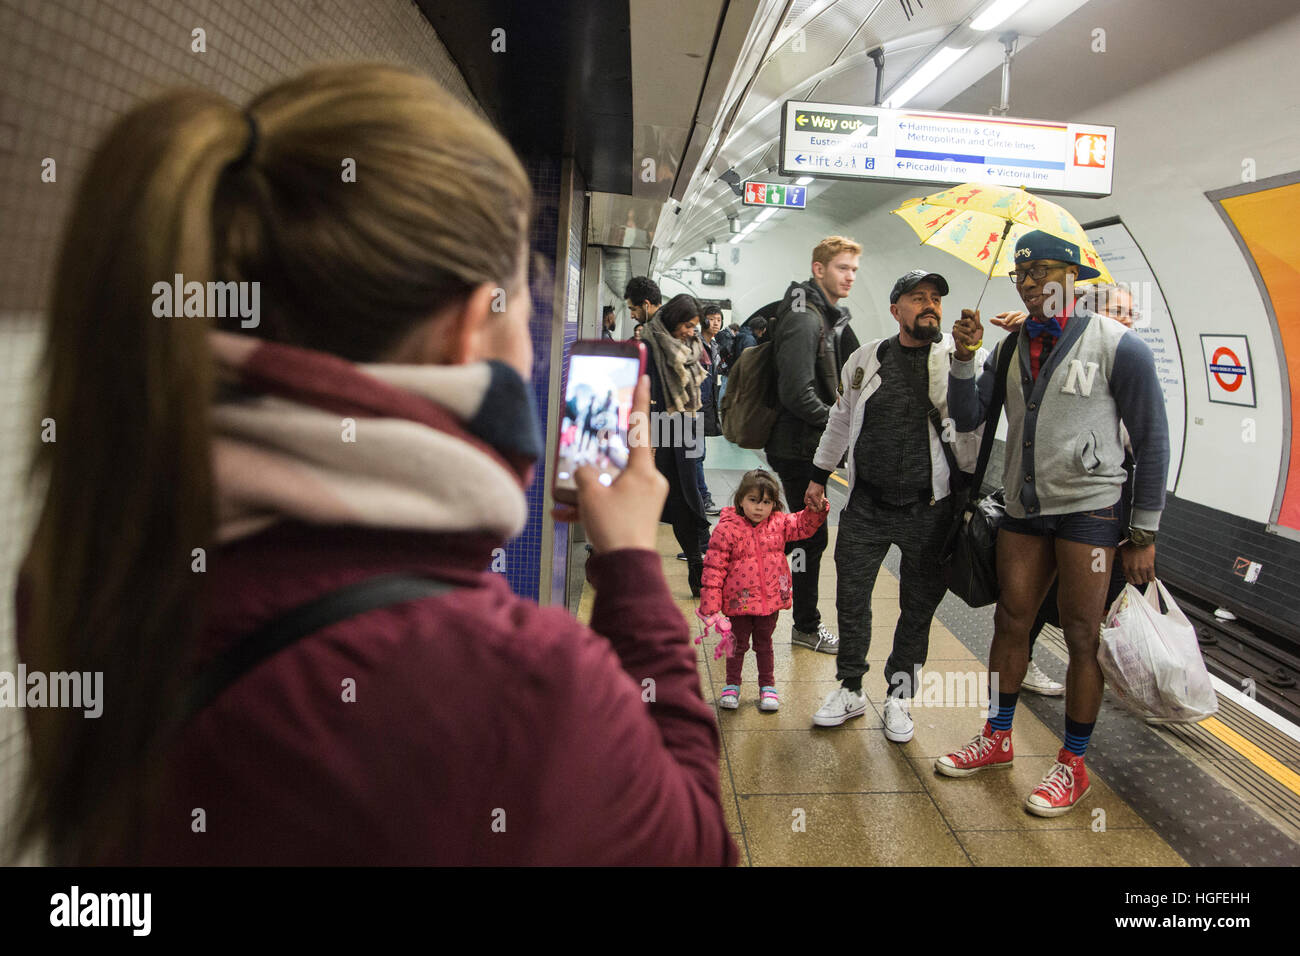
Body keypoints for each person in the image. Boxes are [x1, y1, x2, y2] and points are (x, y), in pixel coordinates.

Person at [14, 63, 736, 866]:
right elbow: (696, 845)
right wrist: (633, 566)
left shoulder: (85, 554)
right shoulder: (515, 681)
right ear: (469, 333)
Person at [937, 232, 1169, 817]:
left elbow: (1152, 439)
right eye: (1022, 275)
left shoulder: (1119, 346)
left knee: (1081, 634)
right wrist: (965, 358)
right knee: (1010, 621)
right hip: (1022, 507)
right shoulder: (1010, 348)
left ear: (1074, 278)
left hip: (1091, 511)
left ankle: (1073, 764)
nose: (1030, 284)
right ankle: (997, 737)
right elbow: (967, 416)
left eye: (1043, 272)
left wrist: (1142, 533)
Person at [806, 271, 985, 741]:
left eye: (935, 299)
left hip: (931, 510)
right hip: (866, 504)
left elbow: (972, 422)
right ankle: (849, 687)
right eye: (917, 298)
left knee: (918, 608)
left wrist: (967, 359)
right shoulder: (866, 359)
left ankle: (899, 696)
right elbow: (840, 421)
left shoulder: (962, 359)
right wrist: (818, 475)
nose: (930, 305)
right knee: (851, 599)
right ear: (895, 310)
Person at [991, 283, 1142, 697]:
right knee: (1023, 607)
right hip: (1046, 500)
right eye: (1118, 310)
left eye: (1133, 313)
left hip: (1105, 497)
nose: (1127, 319)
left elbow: (1145, 440)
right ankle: (1026, 669)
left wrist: (1142, 532)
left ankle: (1115, 682)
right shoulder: (1042, 349)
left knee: (1086, 618)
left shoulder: (1125, 355)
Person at [765, 236, 863, 655]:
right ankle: (804, 625)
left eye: (855, 270)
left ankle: (755, 556)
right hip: (799, 445)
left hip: (804, 443)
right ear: (818, 268)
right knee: (809, 539)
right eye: (842, 267)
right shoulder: (805, 318)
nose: (850, 277)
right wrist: (840, 425)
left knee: (806, 537)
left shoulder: (826, 315)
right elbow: (797, 392)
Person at [699, 470, 827, 713]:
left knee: (764, 644)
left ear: (774, 505)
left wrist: (817, 509)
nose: (759, 508)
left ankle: (767, 685)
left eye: (766, 502)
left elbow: (803, 525)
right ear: (740, 501)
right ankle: (732, 685)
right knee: (736, 645)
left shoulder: (779, 524)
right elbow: (713, 568)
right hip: (738, 602)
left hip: (768, 602)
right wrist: (710, 605)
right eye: (753, 500)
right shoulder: (727, 530)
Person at [640, 292, 710, 597]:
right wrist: (647, 440)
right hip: (660, 427)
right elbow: (642, 393)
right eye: (687, 325)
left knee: (687, 494)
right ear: (673, 320)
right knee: (651, 497)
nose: (691, 331)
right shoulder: (650, 343)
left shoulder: (690, 345)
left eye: (695, 326)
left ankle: (697, 563)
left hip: (685, 425)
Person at [697, 305, 723, 515]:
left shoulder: (713, 345)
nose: (716, 323)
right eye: (712, 319)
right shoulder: (697, 344)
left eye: (719, 320)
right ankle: (702, 497)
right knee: (697, 453)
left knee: (698, 453)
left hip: (706, 405)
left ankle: (700, 496)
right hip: (695, 406)